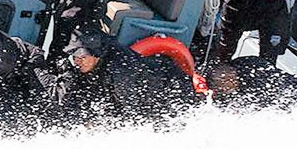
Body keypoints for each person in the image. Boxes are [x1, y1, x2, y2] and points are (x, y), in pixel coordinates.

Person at [49, 31, 199, 123]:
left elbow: (130, 112)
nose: (77, 61)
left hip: (172, 92)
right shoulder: (91, 63)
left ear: (96, 56)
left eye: (82, 57)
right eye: (75, 57)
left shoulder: (120, 70)